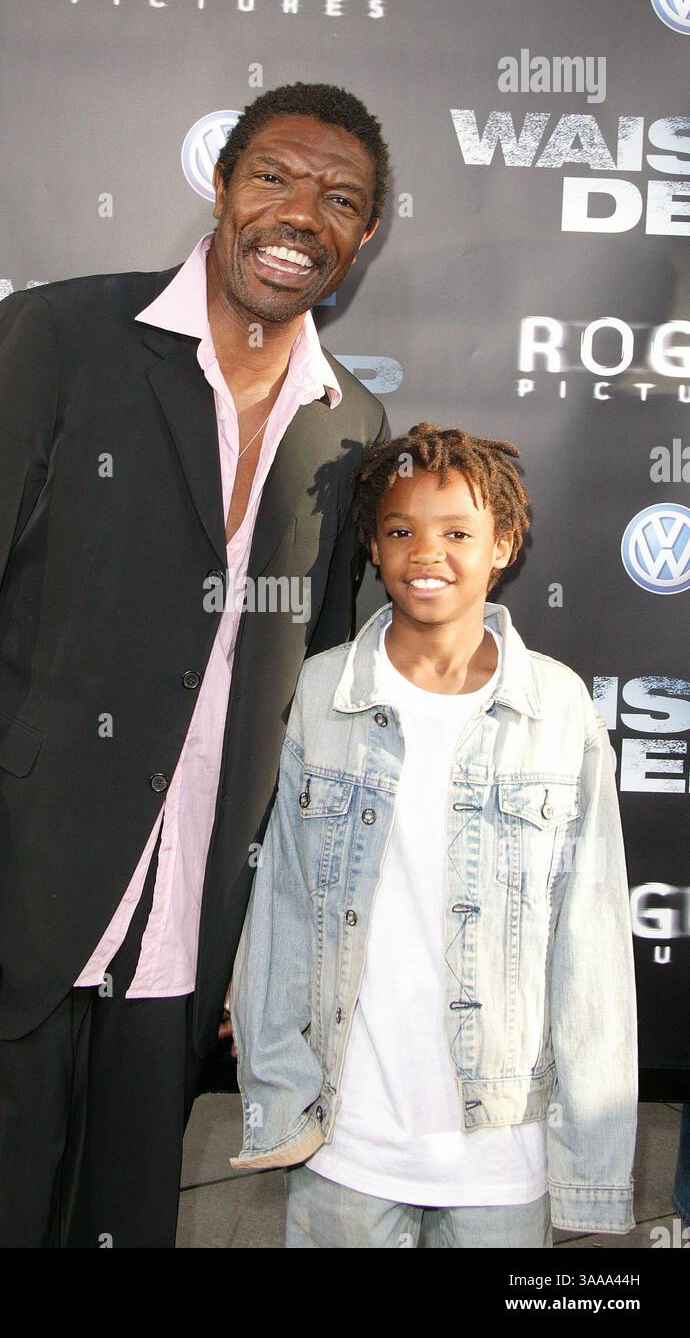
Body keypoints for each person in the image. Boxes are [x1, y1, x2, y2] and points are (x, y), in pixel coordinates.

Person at [0, 81, 391, 1247]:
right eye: (274, 179)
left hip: (192, 914)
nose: (301, 213)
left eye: (339, 199)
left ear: (362, 240)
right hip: (0, 888)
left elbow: (324, 703)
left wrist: (286, 945)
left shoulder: (348, 426)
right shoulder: (56, 337)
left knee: (125, 1223)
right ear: (219, 188)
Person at [229, 421, 639, 1248]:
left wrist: (589, 1159)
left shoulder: (557, 708)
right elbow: (284, 900)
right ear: (373, 549)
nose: (428, 554)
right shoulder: (322, 690)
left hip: (501, 1148)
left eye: (458, 533)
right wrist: (277, 1085)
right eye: (401, 531)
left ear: (503, 546)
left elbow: (591, 942)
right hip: (347, 1136)